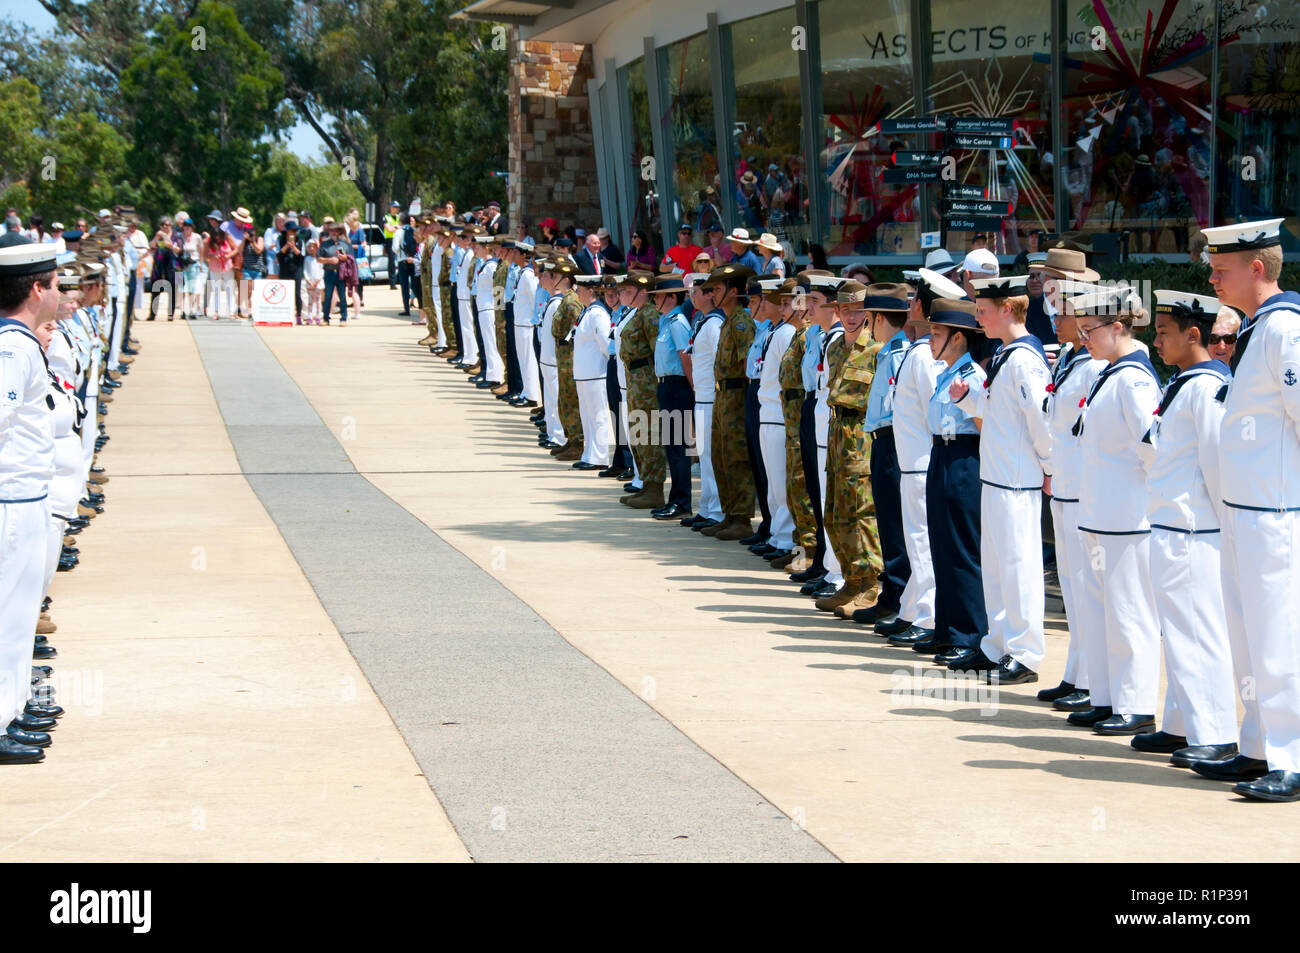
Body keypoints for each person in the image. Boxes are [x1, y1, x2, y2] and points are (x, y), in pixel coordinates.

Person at [1198, 217, 1300, 799]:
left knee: (1279, 636)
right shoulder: (1260, 328)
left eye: (1221, 269)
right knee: (1248, 634)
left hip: (1275, 510)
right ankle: (1259, 745)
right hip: (1245, 507)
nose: (1212, 277)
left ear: (1255, 269)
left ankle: (1292, 756)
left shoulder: (1284, 328)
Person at [1138, 290, 1238, 767]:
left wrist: (1221, 527)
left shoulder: (1207, 387)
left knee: (1199, 632)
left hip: (1195, 530)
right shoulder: (1184, 382)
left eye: (1163, 333)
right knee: (1178, 633)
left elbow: (1218, 464)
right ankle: (1181, 723)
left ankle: (1216, 732)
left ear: (1192, 335)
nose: (1156, 341)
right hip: (1172, 524)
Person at [952, 274, 1054, 681]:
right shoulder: (1005, 355)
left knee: (1019, 567)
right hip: (997, 478)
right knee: (996, 567)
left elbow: (1039, 420)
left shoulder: (1025, 359)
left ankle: (1024, 652)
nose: (978, 319)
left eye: (983, 310)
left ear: (1007, 310)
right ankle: (997, 644)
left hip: (1015, 481)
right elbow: (1002, 413)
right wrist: (969, 398)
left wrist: (1050, 466)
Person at [1069, 287, 1161, 735]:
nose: (1083, 338)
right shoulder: (1109, 373)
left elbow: (1153, 448)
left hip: (1126, 519)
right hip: (1099, 516)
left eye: (1090, 330)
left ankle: (1136, 704)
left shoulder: (1134, 378)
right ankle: (1105, 697)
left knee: (1130, 615)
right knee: (1099, 614)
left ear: (1118, 328)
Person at [0, 234, 61, 763]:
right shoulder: (12, 348)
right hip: (10, 503)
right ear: (37, 289)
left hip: (25, 498)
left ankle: (10, 710)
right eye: (57, 282)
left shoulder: (21, 344)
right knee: (7, 617)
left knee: (18, 616)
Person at [1034, 287, 1107, 710]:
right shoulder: (1068, 359)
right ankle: (1076, 673)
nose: (1055, 319)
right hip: (1065, 487)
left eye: (1061, 312)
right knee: (1074, 590)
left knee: (1085, 590)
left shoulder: (1091, 366)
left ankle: (1090, 681)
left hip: (1082, 491)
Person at [878, 269, 959, 646]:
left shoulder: (925, 355)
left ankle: (926, 615)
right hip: (912, 463)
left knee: (923, 542)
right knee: (916, 541)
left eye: (914, 299)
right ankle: (913, 608)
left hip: (923, 463)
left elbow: (935, 411)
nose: (908, 304)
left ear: (924, 307)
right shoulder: (918, 350)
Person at [913, 298, 988, 661]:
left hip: (964, 458)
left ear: (958, 337)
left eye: (937, 333)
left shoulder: (973, 377)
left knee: (962, 548)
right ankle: (945, 629)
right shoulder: (945, 374)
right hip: (941, 454)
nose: (930, 338)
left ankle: (969, 634)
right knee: (941, 545)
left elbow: (984, 426)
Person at [817, 281, 893, 619]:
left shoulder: (876, 349)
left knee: (863, 514)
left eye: (858, 310)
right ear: (837, 311)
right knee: (835, 512)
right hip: (836, 433)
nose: (851, 317)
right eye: (845, 310)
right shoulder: (834, 348)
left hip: (861, 436)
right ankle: (851, 579)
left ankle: (871, 585)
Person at [703, 263, 757, 541]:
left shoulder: (740, 322)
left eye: (718, 289)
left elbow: (748, 367)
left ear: (734, 291)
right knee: (720, 455)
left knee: (736, 457)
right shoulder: (726, 322)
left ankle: (742, 517)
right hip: (722, 396)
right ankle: (729, 513)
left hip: (736, 396)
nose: (712, 294)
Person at [754, 278, 797, 563]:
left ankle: (784, 539)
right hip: (767, 412)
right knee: (773, 483)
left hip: (778, 415)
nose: (782, 308)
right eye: (780, 303)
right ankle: (776, 536)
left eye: (787, 303)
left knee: (781, 485)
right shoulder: (779, 331)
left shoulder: (788, 333)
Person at [650, 274, 695, 520]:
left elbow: (685, 357)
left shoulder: (677, 322)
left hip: (677, 386)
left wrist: (693, 389)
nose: (655, 299)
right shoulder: (665, 321)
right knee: (672, 446)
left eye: (658, 295)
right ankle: (676, 499)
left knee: (678, 447)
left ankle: (681, 501)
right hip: (666, 386)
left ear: (671, 297)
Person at [688, 275, 726, 533]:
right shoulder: (703, 321)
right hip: (701, 396)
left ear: (710, 294)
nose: (692, 295)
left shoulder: (714, 325)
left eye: (698, 291)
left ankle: (717, 511)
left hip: (711, 397)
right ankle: (707, 507)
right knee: (704, 456)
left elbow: (717, 362)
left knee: (712, 456)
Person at [570, 274, 612, 469]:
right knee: (587, 416)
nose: (577, 292)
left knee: (598, 416)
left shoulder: (597, 314)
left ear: (591, 290)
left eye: (580, 289)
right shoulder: (587, 312)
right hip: (584, 373)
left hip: (596, 373)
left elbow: (606, 345)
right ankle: (589, 454)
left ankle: (600, 457)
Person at [203, 211, 236, 320]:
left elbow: (236, 249)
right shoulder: (210, 237)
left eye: (213, 220)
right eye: (211, 220)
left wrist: (229, 255)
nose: (211, 222)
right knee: (215, 289)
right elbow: (204, 253)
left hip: (226, 266)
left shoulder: (226, 235)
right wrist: (212, 257)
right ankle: (215, 311)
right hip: (215, 266)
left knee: (229, 289)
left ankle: (232, 312)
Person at [148, 216, 178, 321]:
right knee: (155, 289)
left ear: (171, 225)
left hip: (172, 265)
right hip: (159, 266)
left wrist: (165, 237)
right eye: (163, 225)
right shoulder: (159, 235)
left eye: (167, 224)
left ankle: (171, 314)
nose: (165, 226)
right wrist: (157, 237)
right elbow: (151, 246)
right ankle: (153, 313)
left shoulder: (176, 235)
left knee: (172, 290)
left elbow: (174, 247)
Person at [277, 220, 305, 325]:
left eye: (295, 230)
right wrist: (286, 246)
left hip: (296, 268)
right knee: (283, 292)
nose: (294, 232)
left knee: (297, 293)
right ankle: (283, 315)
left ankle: (298, 315)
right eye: (292, 230)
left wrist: (293, 247)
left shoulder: (300, 240)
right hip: (284, 267)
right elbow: (278, 255)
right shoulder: (280, 239)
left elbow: (302, 256)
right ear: (287, 231)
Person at [178, 218, 203, 320]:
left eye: (189, 226)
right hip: (182, 264)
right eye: (185, 225)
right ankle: (182, 310)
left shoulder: (196, 237)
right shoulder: (180, 237)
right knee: (182, 288)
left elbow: (201, 251)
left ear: (192, 227)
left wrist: (201, 264)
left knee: (192, 288)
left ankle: (192, 309)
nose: (187, 227)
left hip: (193, 263)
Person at [302, 236, 323, 324]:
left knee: (318, 301)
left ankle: (318, 316)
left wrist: (317, 281)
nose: (311, 248)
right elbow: (305, 270)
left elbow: (322, 270)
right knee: (310, 300)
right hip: (310, 282)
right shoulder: (307, 259)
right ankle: (309, 316)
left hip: (318, 283)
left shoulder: (319, 258)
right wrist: (308, 280)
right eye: (309, 247)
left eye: (313, 246)